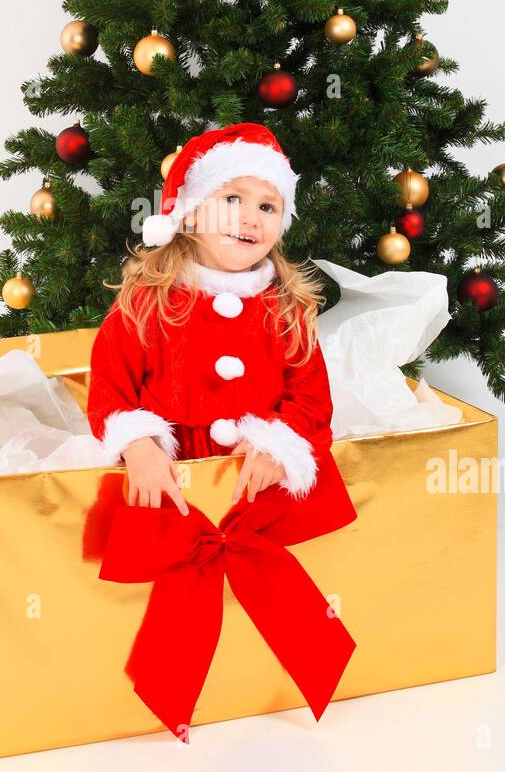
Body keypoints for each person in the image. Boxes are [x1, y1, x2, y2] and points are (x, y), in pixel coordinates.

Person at [86, 122, 358, 531]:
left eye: (267, 207)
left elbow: (311, 399)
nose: (251, 219)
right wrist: (138, 446)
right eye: (233, 199)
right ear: (192, 212)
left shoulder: (286, 308)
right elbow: (110, 390)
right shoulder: (147, 302)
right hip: (171, 481)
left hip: (260, 486)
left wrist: (278, 445)